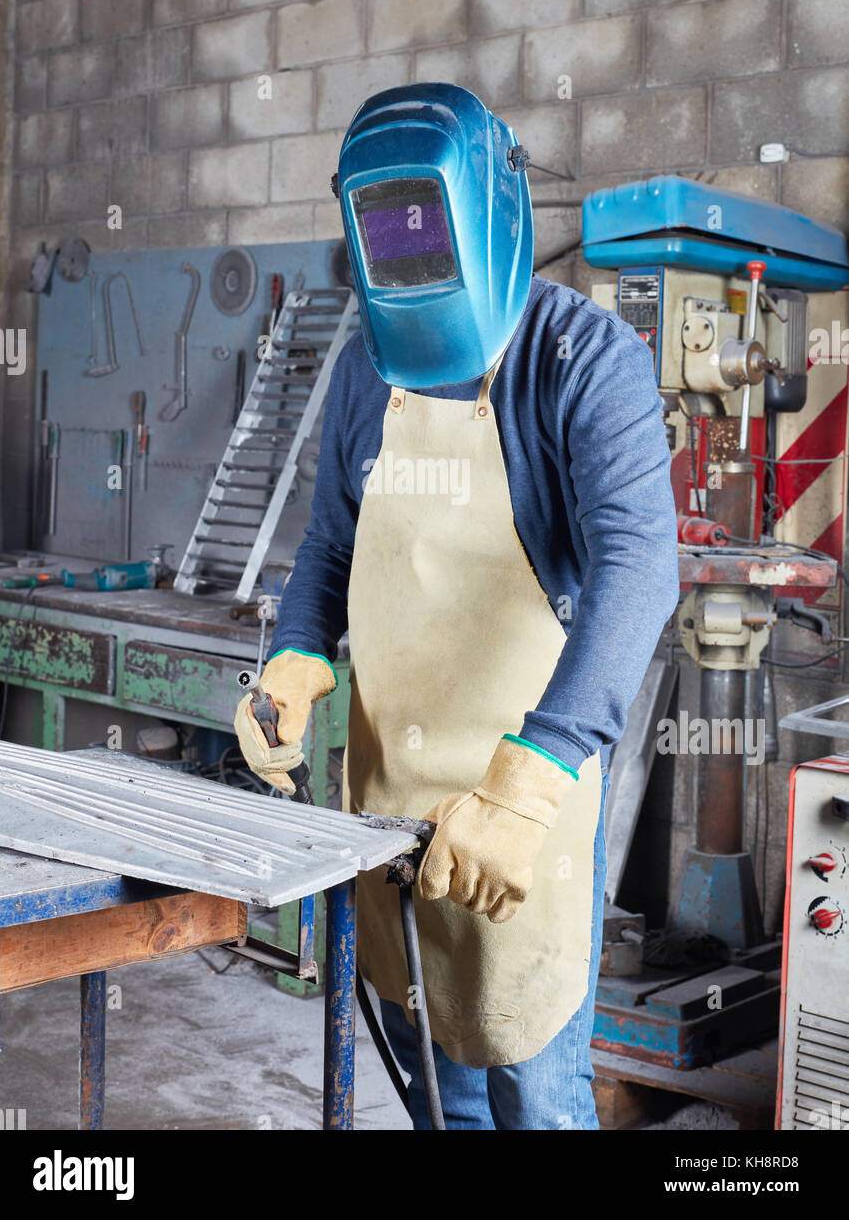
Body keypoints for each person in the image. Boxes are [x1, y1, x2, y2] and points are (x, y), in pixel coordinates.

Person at [235, 82, 679, 1130]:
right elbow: (332, 543)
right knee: (436, 1090)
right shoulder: (367, 365)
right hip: (388, 802)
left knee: (534, 1096)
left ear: (489, 216)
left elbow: (638, 566)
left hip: (524, 802)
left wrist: (535, 776)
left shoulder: (585, 360)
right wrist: (296, 654)